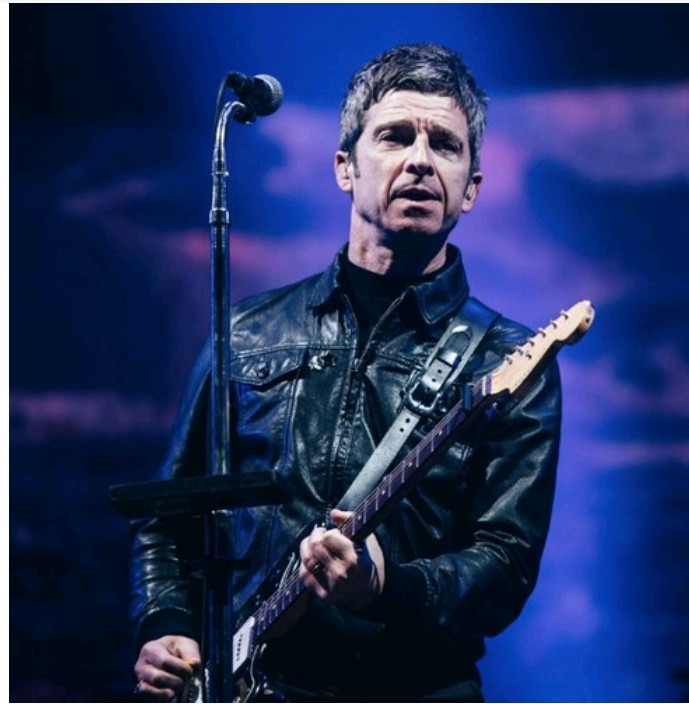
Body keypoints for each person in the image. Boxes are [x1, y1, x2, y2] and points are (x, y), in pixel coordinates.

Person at [130, 43, 561, 703]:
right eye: (395, 136)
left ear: (471, 187)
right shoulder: (245, 331)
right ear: (344, 168)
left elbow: (505, 566)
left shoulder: (508, 361)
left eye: (445, 145)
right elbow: (167, 515)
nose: (420, 160)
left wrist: (387, 587)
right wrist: (165, 623)